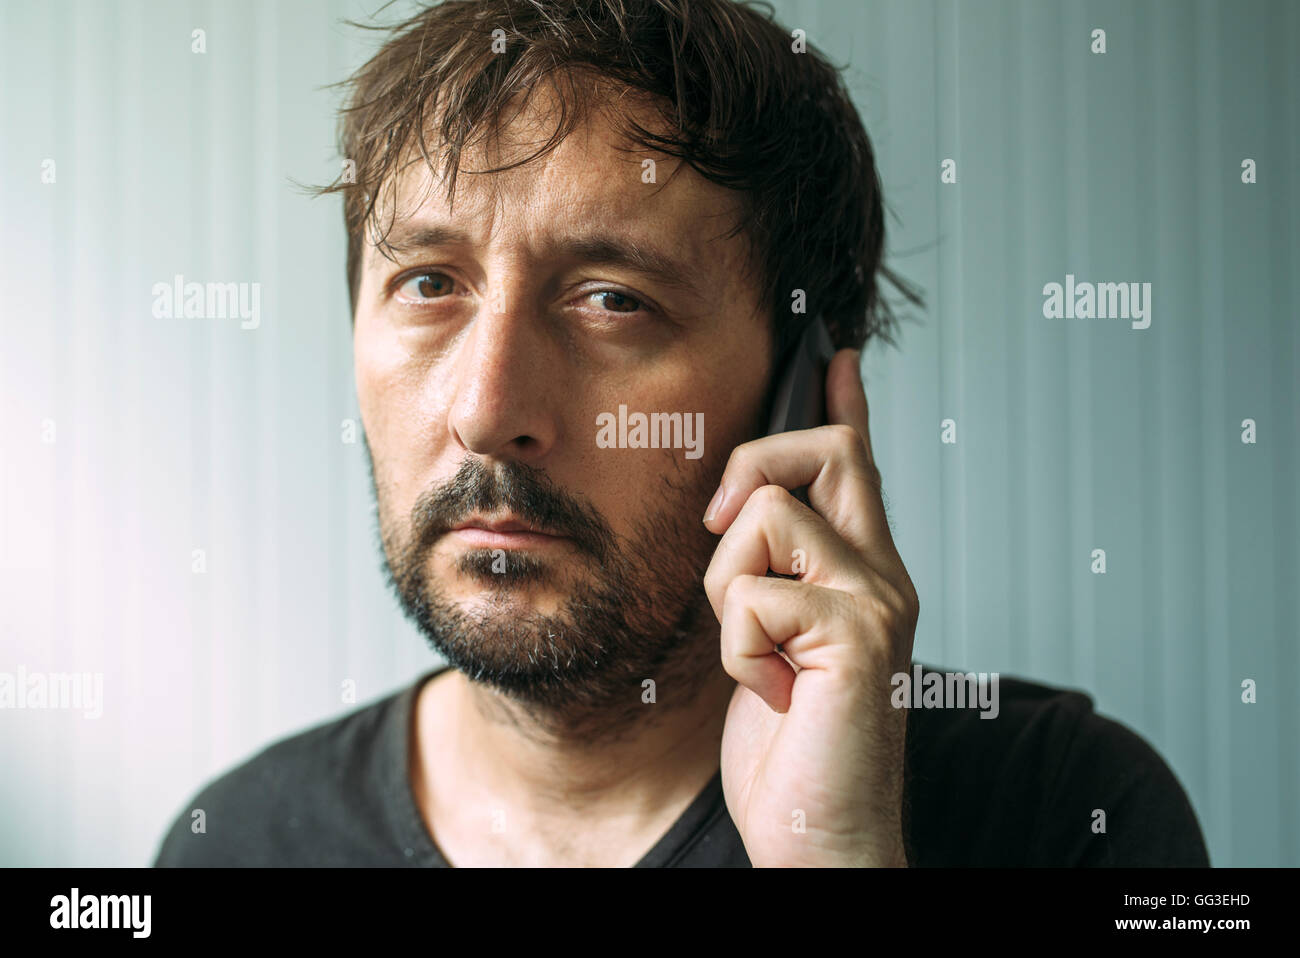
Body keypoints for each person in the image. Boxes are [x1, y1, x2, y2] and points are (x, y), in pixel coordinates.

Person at [154, 0, 1208, 867]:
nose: (486, 411)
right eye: (429, 285)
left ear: (798, 398)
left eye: (612, 300)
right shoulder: (233, 843)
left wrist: (832, 855)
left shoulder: (1066, 812)